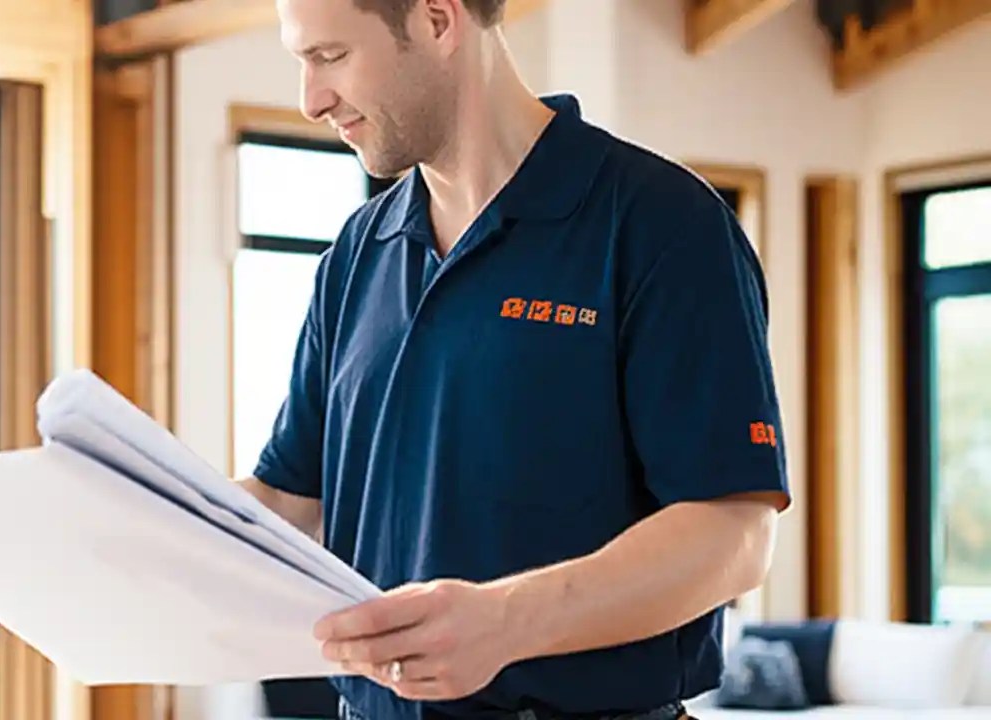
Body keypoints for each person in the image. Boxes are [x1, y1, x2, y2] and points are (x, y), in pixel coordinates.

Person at [235, 0, 793, 718]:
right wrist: (133, 530)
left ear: (438, 20)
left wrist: (503, 623)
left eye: (330, 57)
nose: (310, 100)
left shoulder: (663, 225)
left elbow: (734, 533)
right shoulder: (355, 255)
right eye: (301, 61)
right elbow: (289, 499)